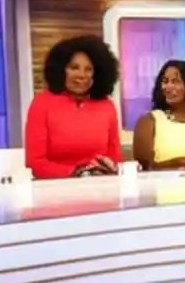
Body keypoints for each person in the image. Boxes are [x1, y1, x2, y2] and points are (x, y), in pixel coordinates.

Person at [24, 35, 121, 179]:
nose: (82, 75)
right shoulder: (42, 103)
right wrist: (76, 173)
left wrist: (110, 169)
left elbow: (115, 158)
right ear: (61, 70)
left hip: (101, 190)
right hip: (55, 192)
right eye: (74, 68)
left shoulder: (107, 106)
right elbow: (35, 163)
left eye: (89, 69)